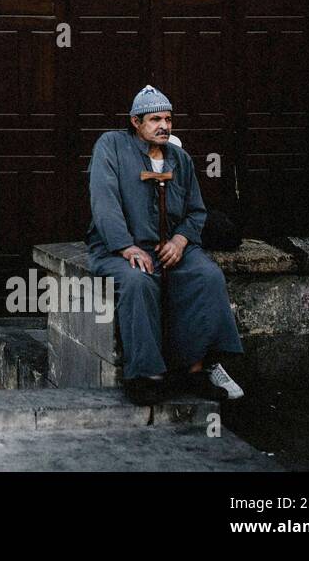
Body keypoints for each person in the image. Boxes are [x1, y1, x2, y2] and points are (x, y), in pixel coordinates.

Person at [84, 85, 245, 405]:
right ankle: (145, 375)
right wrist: (125, 246)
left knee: (206, 276)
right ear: (135, 122)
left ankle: (196, 369)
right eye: (155, 119)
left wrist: (181, 240)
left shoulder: (180, 159)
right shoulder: (111, 146)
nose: (164, 126)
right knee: (136, 281)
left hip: (171, 247)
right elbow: (104, 202)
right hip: (120, 249)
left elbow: (196, 211)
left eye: (168, 119)